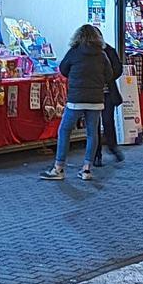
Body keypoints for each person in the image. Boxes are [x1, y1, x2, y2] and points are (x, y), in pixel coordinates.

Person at [39, 25, 111, 181]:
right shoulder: (102, 55)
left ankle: (59, 168)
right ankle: (86, 169)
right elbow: (109, 75)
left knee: (64, 130)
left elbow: (63, 69)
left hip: (76, 99)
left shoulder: (74, 52)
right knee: (92, 134)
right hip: (96, 100)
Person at [93, 30, 125, 167]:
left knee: (107, 121)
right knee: (95, 124)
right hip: (93, 93)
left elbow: (118, 69)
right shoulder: (85, 52)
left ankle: (111, 146)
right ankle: (97, 154)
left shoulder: (109, 50)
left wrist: (107, 78)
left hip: (105, 93)